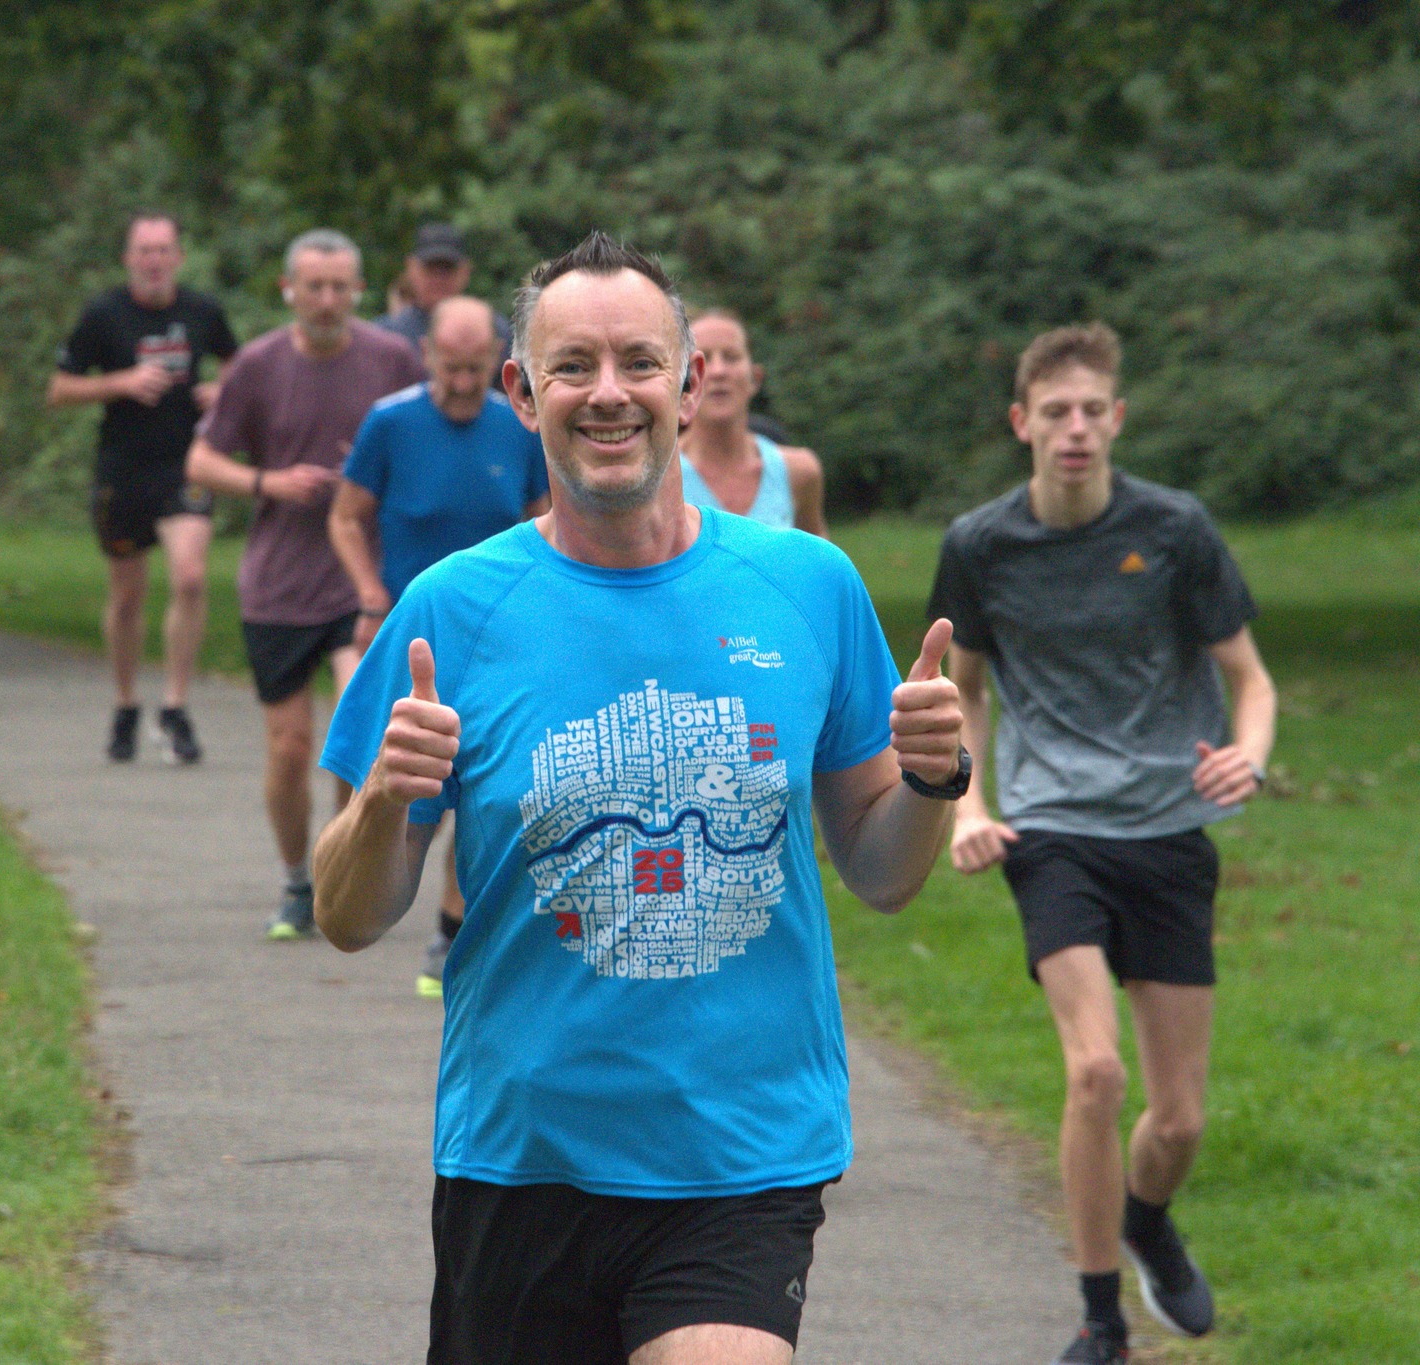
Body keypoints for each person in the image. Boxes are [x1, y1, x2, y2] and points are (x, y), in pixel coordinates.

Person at [314, 232, 969, 1365]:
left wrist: (931, 780)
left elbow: (882, 869)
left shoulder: (804, 585)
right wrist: (381, 802)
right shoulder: (450, 608)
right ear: (521, 392)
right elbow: (348, 915)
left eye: (636, 361)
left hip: (739, 1153)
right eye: (571, 366)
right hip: (521, 1158)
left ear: (689, 382)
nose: (606, 393)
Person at [928, 323, 1277, 1365]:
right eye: (1053, 413)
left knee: (1175, 1125)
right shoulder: (980, 544)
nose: (1073, 430)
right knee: (1093, 1074)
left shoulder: (1172, 529)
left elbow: (1249, 678)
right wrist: (969, 807)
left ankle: (1143, 1222)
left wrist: (1247, 757)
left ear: (1114, 418)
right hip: (1051, 833)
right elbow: (966, 692)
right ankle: (1098, 1320)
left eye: (1091, 412)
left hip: (1167, 834)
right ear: (1020, 424)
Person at [187, 228, 426, 939]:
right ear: (289, 289)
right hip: (281, 580)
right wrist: (268, 480)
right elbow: (200, 463)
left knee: (359, 733)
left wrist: (374, 470)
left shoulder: (392, 359)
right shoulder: (257, 365)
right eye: (312, 287)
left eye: (340, 286)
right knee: (290, 746)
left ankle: (342, 874)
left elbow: (423, 439)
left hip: (364, 578)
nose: (326, 300)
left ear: (359, 290)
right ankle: (296, 878)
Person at [328, 295, 549, 998]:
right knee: (383, 774)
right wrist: (368, 593)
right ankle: (338, 881)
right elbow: (345, 517)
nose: (461, 381)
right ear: (426, 356)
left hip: (499, 638)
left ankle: (451, 928)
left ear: (499, 364)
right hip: (406, 628)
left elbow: (541, 519)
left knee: (480, 785)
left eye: (475, 367)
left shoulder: (518, 429)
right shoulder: (390, 423)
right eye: (450, 367)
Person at [48, 213, 239, 764]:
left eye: (163, 250)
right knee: (127, 595)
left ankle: (175, 706)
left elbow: (243, 370)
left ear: (179, 257)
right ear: (129, 258)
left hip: (186, 466)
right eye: (144, 251)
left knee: (190, 576)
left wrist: (220, 390)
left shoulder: (202, 311)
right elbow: (58, 389)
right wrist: (120, 382)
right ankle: (126, 702)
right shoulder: (103, 314)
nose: (154, 260)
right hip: (123, 469)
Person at [677, 309, 826, 536]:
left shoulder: (799, 473)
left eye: (731, 357)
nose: (718, 371)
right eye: (704, 358)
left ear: (755, 378)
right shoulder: (659, 474)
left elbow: (819, 567)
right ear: (686, 381)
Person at [377, 224, 512, 383]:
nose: (438, 278)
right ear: (411, 268)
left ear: (465, 271)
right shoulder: (386, 336)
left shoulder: (495, 331)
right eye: (430, 268)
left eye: (448, 269)